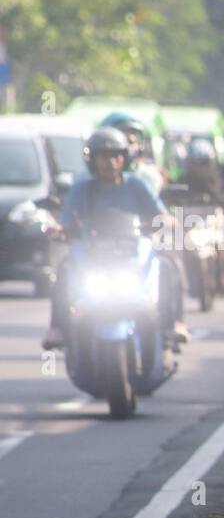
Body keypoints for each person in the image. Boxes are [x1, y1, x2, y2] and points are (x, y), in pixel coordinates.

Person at [41, 128, 188, 351]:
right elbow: (66, 220)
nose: (110, 162)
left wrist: (167, 221)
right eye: (103, 156)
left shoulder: (137, 185)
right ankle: (57, 328)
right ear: (93, 159)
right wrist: (58, 229)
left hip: (131, 251)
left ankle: (173, 324)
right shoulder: (83, 188)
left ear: (124, 159)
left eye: (116, 156)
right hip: (94, 254)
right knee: (64, 268)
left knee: (167, 265)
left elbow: (160, 213)